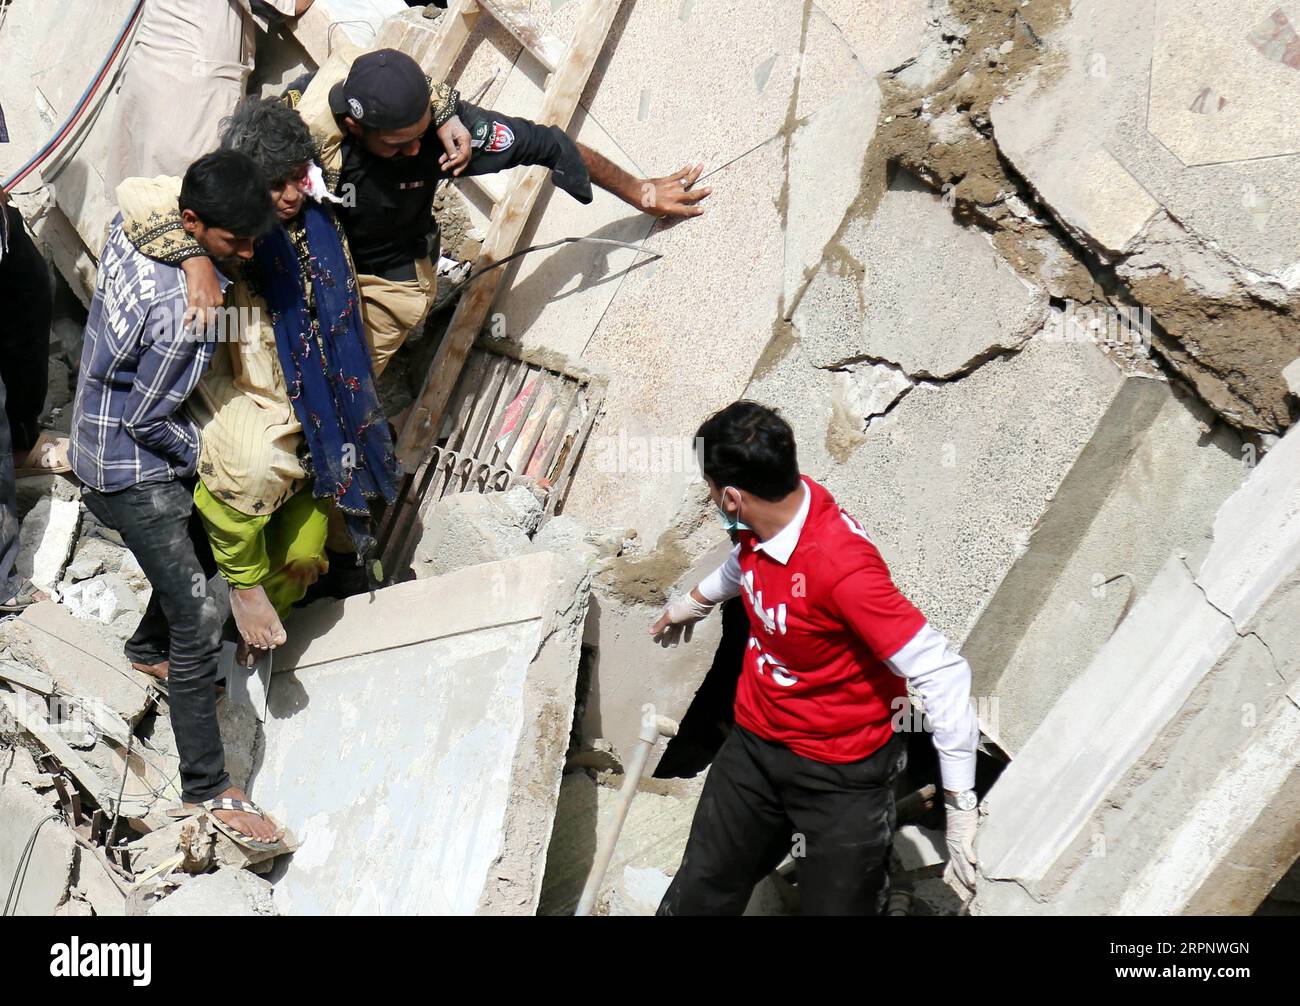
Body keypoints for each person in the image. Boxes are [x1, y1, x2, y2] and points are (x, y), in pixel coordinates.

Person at [130, 47, 713, 593]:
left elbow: (549, 144)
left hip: (382, 287)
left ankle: (326, 543)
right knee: (279, 407)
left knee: (335, 407)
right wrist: (196, 257)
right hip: (290, 275)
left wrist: (638, 189)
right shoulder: (301, 138)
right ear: (355, 129)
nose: (417, 153)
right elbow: (151, 199)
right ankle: (242, 520)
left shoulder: (442, 139)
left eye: (421, 136)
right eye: (399, 144)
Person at [650, 401, 981, 915]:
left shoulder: (842, 570)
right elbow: (746, 565)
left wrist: (960, 803)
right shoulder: (770, 515)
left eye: (711, 488)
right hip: (755, 748)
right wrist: (692, 603)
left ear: (731, 496)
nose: (710, 497)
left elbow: (943, 672)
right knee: (701, 891)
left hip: (841, 775)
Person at [116, 98, 401, 667]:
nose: (294, 194)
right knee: (246, 488)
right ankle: (228, 613)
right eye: (277, 186)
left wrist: (440, 114)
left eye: (298, 177)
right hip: (258, 392)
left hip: (326, 408)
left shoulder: (314, 198)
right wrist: (197, 260)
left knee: (303, 555)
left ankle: (255, 638)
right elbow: (137, 194)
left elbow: (351, 81)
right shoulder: (236, 215)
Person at [70, 149, 285, 848]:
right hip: (128, 465)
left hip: (96, 430)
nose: (248, 252)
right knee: (201, 608)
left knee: (196, 554)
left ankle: (145, 649)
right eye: (233, 243)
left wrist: (200, 256)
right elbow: (148, 421)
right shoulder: (188, 313)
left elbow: (141, 195)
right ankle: (209, 789)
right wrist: (211, 463)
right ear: (193, 221)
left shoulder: (138, 230)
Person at [105, 0, 315, 196]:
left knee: (137, 205)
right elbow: (289, 5)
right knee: (186, 207)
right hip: (188, 100)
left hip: (149, 73)